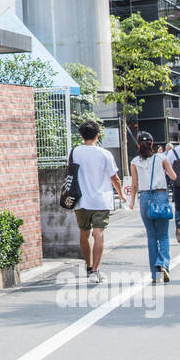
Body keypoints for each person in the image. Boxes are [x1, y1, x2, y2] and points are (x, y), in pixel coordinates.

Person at [71, 120, 126, 285]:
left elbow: (70, 173)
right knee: (98, 234)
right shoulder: (104, 154)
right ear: (97, 135)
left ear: (81, 136)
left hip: (80, 200)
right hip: (101, 200)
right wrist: (121, 194)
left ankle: (88, 268)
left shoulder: (73, 152)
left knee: (84, 234)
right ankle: (95, 271)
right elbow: (114, 178)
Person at [130, 131, 178, 284]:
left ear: (138, 145)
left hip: (145, 199)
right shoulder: (161, 158)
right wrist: (163, 170)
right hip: (161, 196)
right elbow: (174, 177)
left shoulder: (135, 162)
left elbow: (134, 185)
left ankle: (155, 276)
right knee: (163, 235)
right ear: (152, 143)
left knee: (151, 235)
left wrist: (131, 202)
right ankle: (162, 263)